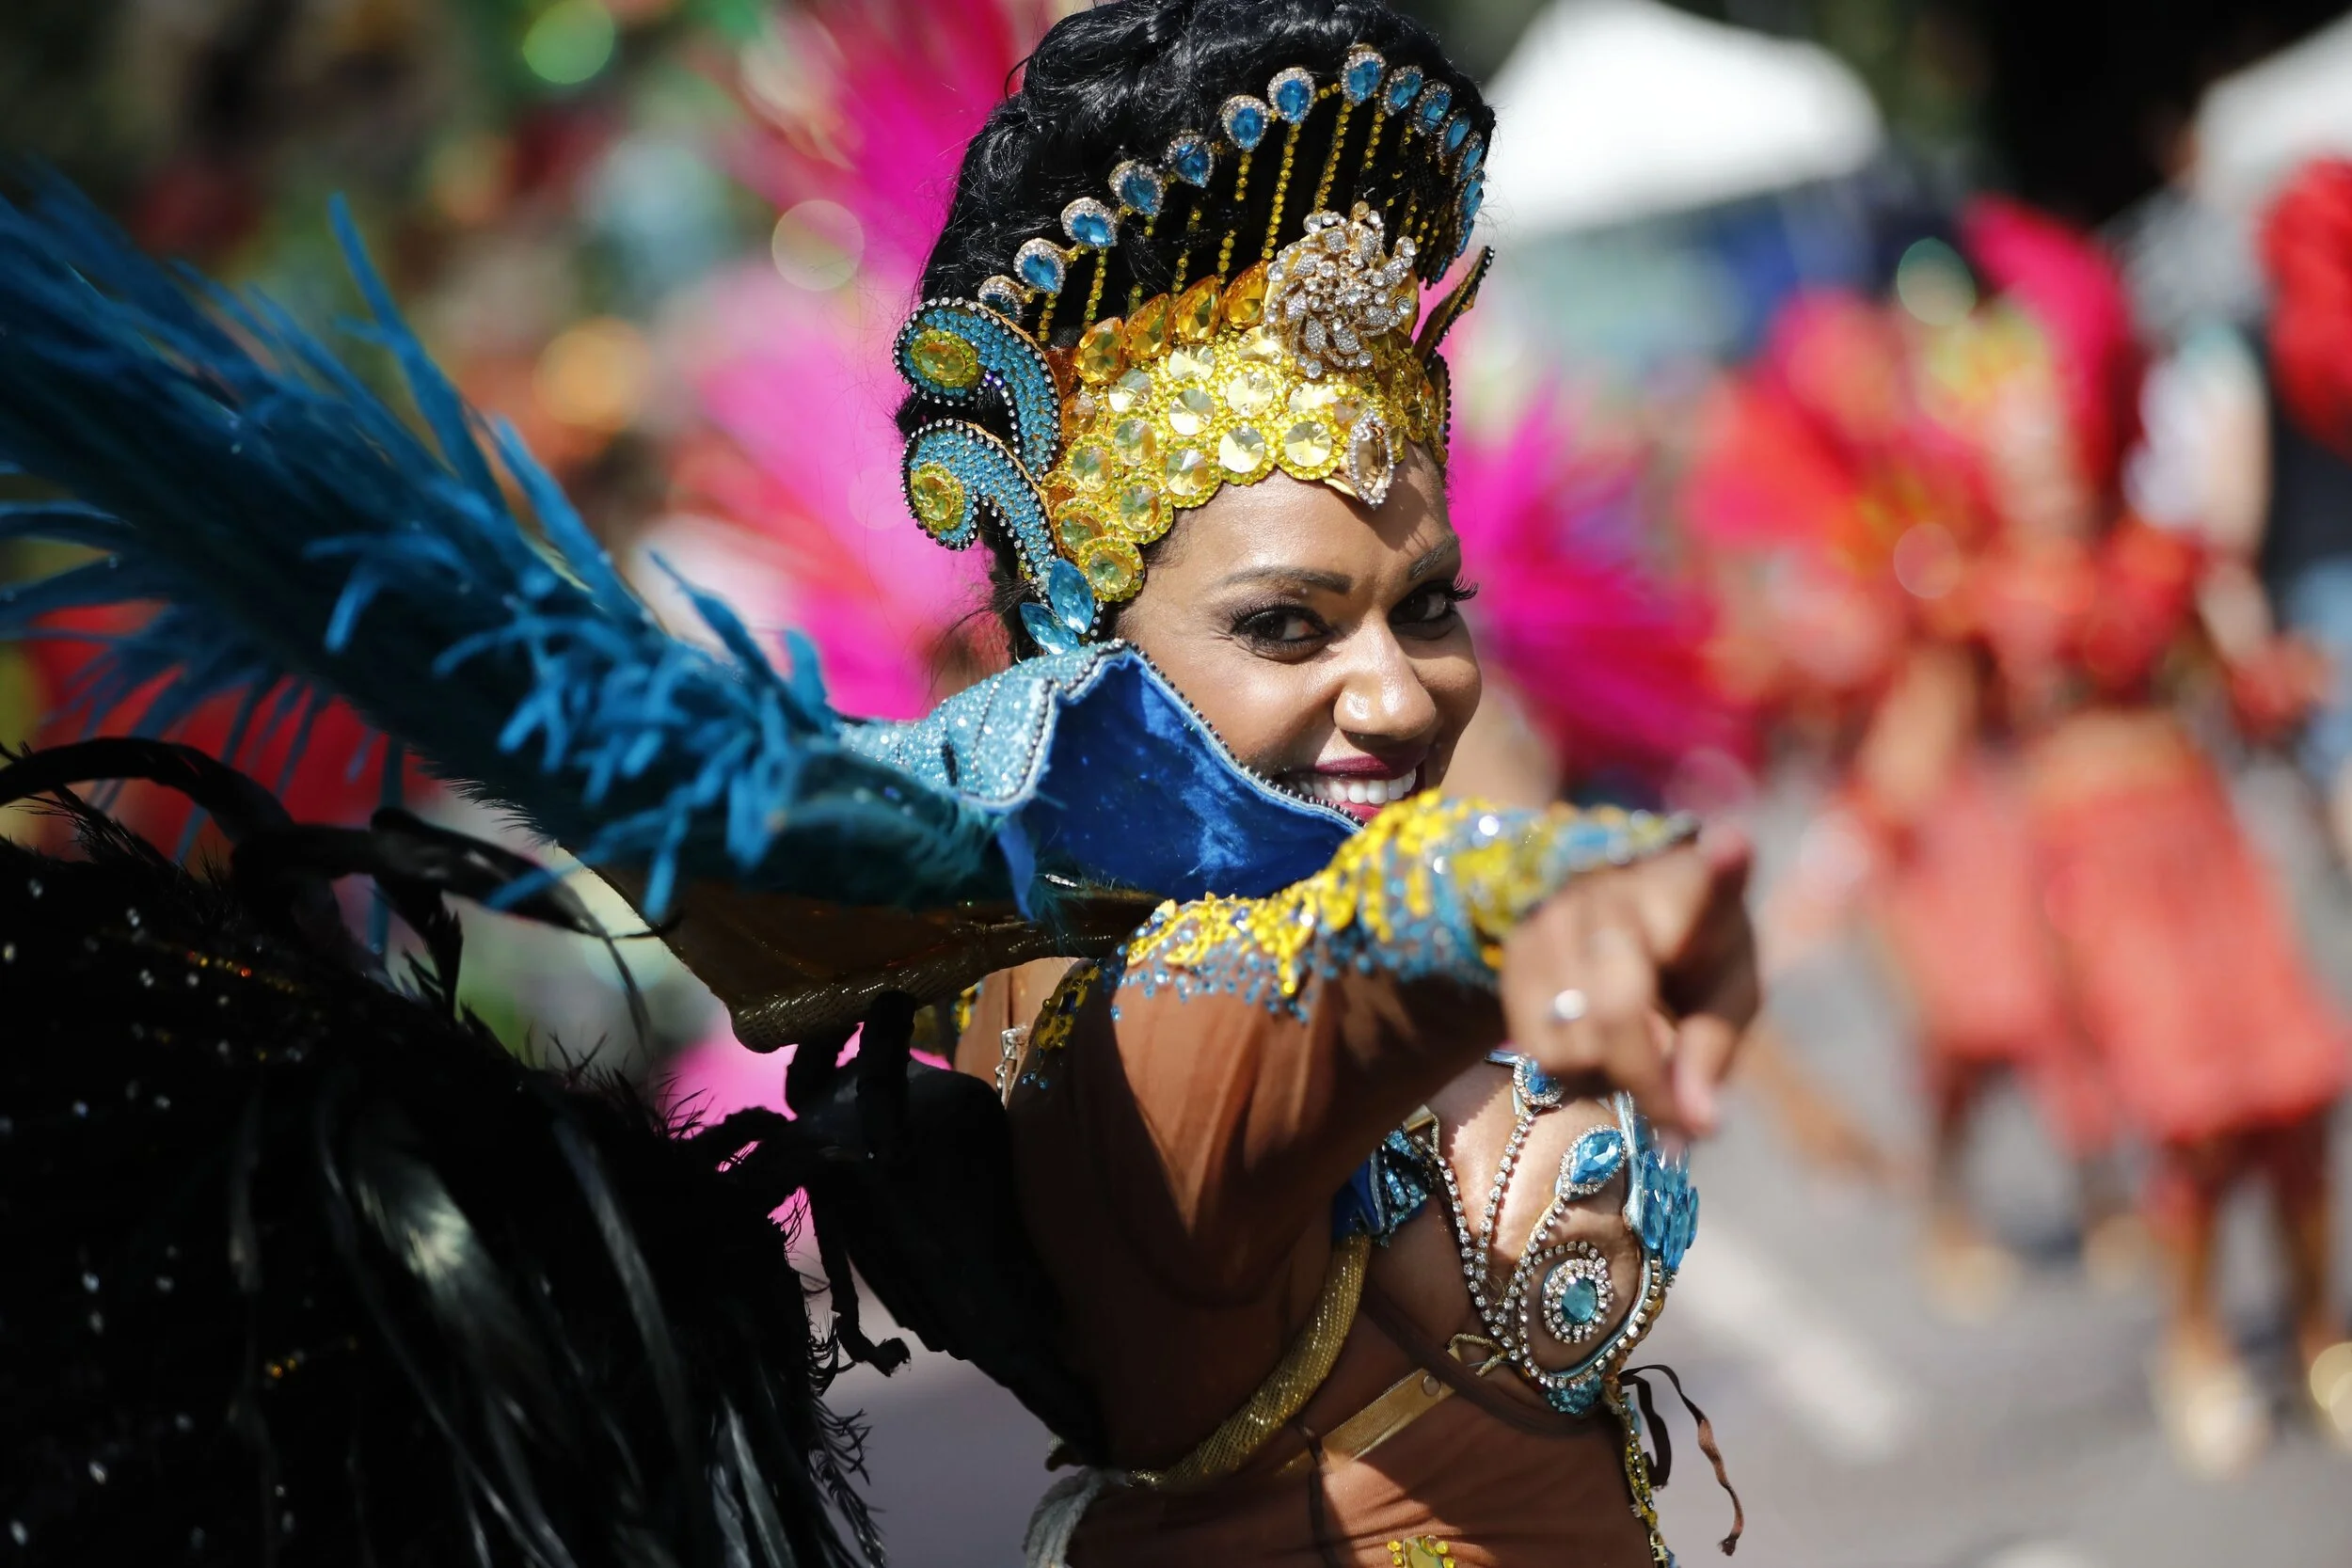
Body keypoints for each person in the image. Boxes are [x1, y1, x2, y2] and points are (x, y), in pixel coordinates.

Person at [0, 4, 1760, 1563]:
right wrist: (1527, 899)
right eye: (1288, 627)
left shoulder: (1246, 897)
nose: (1393, 686)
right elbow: (1327, 1005)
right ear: (1093, 660)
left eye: (1427, 604)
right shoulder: (1146, 1029)